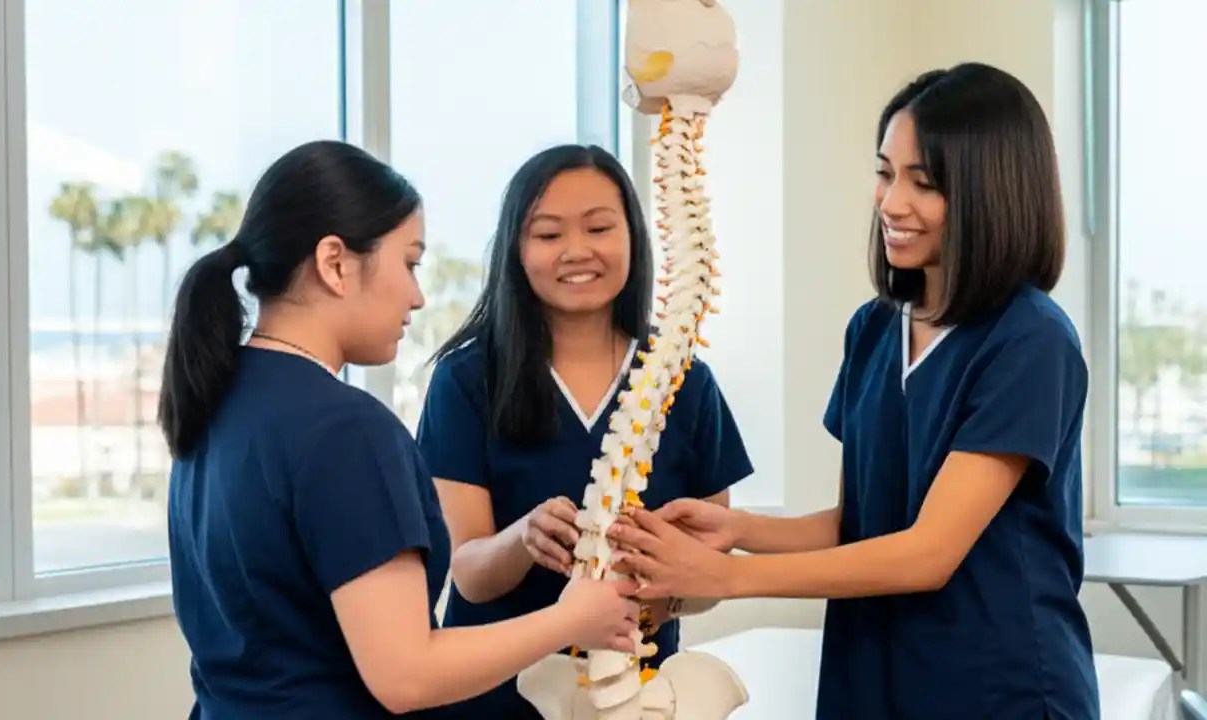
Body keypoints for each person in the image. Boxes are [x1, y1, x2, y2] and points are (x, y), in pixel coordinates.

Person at [607, 64, 1102, 719]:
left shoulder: (1031, 341)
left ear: (993, 191)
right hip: (872, 677)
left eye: (923, 183)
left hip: (997, 687)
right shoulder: (873, 330)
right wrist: (739, 529)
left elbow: (928, 552)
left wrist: (731, 578)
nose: (891, 203)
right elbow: (858, 524)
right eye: (885, 173)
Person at [159, 140, 641, 719]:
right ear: (336, 263)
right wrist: (574, 617)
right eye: (409, 263)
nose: (417, 295)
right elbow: (407, 675)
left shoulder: (219, 397)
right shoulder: (346, 430)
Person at [416, 144, 754, 717]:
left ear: (633, 237)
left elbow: (711, 576)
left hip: (633, 700)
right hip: (492, 699)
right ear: (516, 251)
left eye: (599, 227)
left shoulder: (685, 382)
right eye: (548, 235)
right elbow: (468, 573)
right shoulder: (467, 380)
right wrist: (523, 539)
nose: (577, 251)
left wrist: (663, 587)